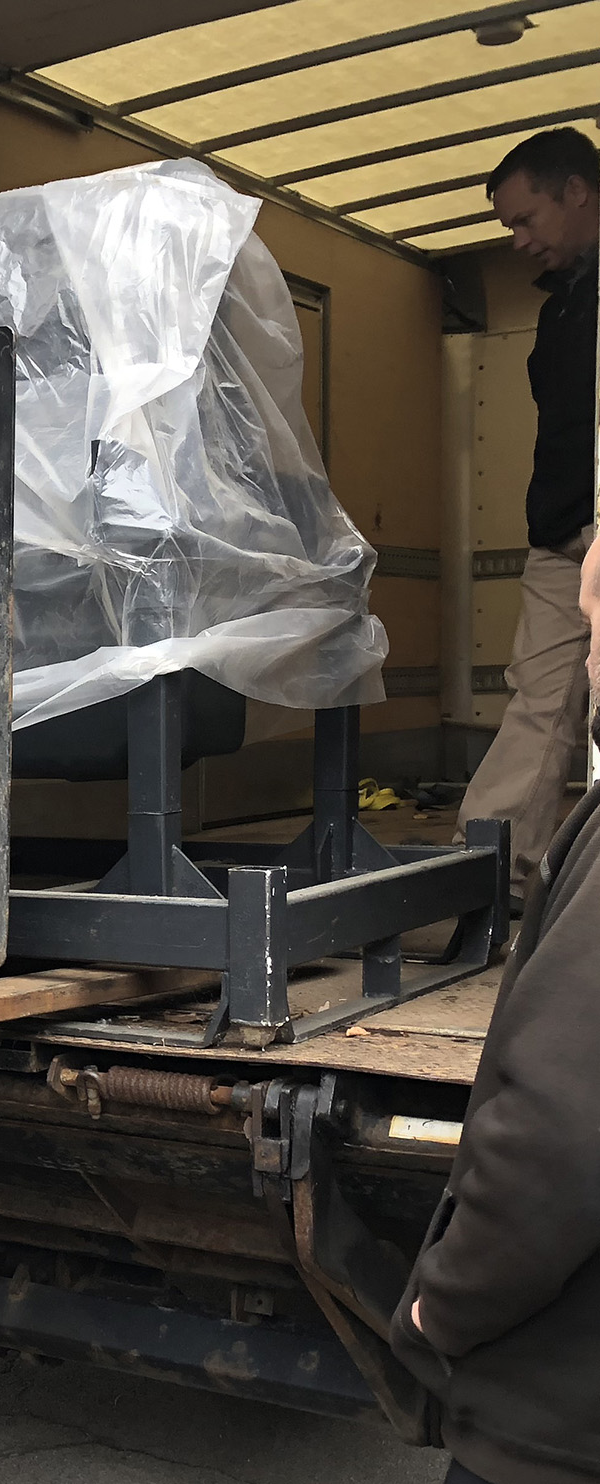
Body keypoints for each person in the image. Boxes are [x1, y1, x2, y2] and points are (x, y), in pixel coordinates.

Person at [387, 536, 600, 1484]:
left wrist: (442, 1307)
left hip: (553, 1432)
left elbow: (558, 1132)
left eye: (597, 633)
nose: (587, 662)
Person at [456, 128, 600, 901]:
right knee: (541, 699)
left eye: (525, 218)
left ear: (576, 190)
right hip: (562, 534)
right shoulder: (564, 306)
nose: (518, 240)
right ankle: (489, 871)